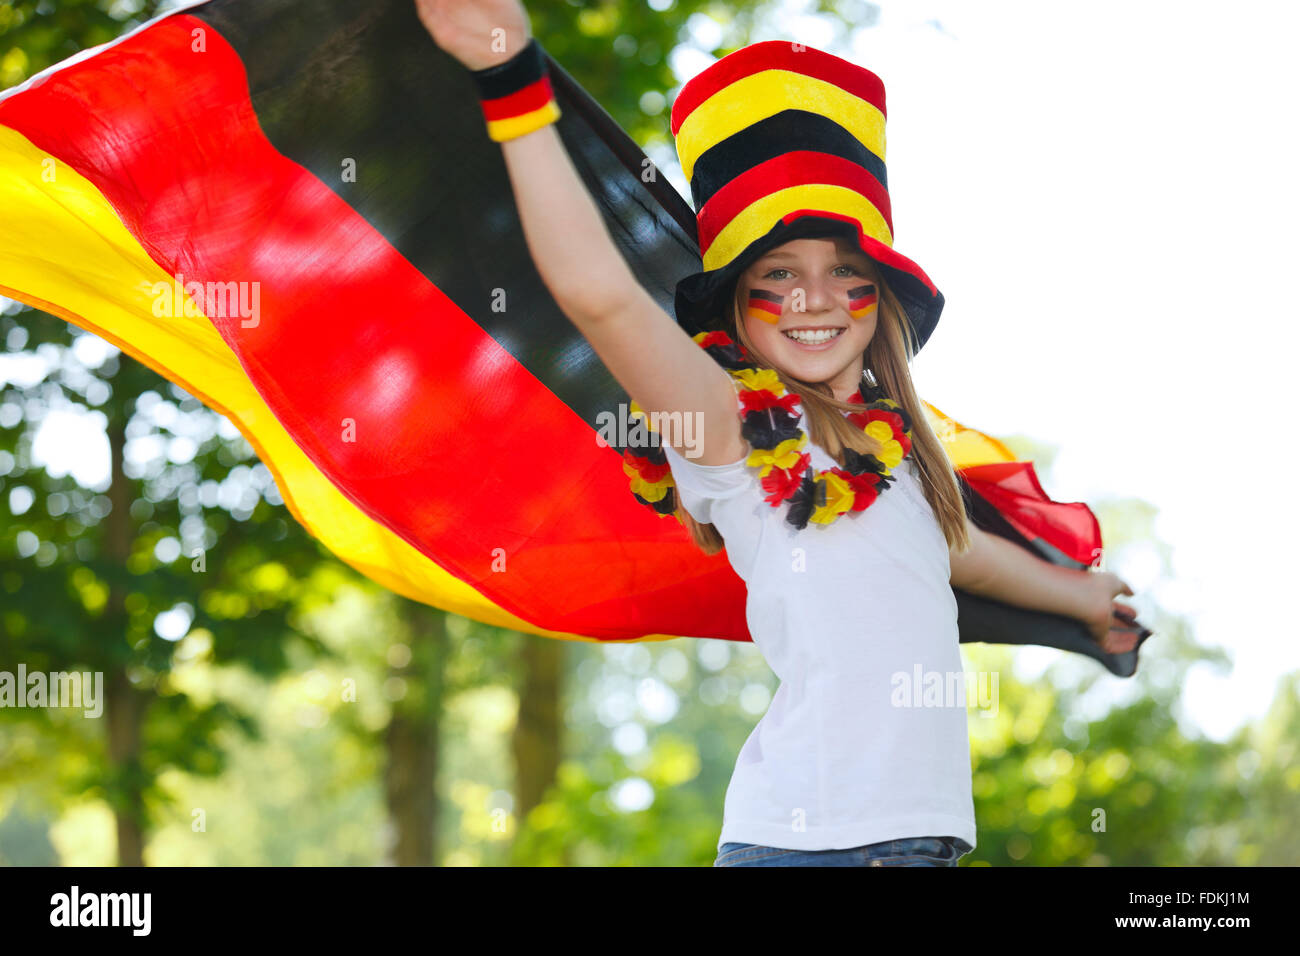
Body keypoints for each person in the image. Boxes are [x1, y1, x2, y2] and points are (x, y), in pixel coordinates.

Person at [415, 0, 1141, 867]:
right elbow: (599, 295)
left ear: (880, 300)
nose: (813, 297)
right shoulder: (729, 429)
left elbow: (965, 555)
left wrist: (1083, 601)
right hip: (811, 847)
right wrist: (512, 76)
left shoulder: (897, 456)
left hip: (919, 845)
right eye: (778, 273)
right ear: (736, 306)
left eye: (844, 270)